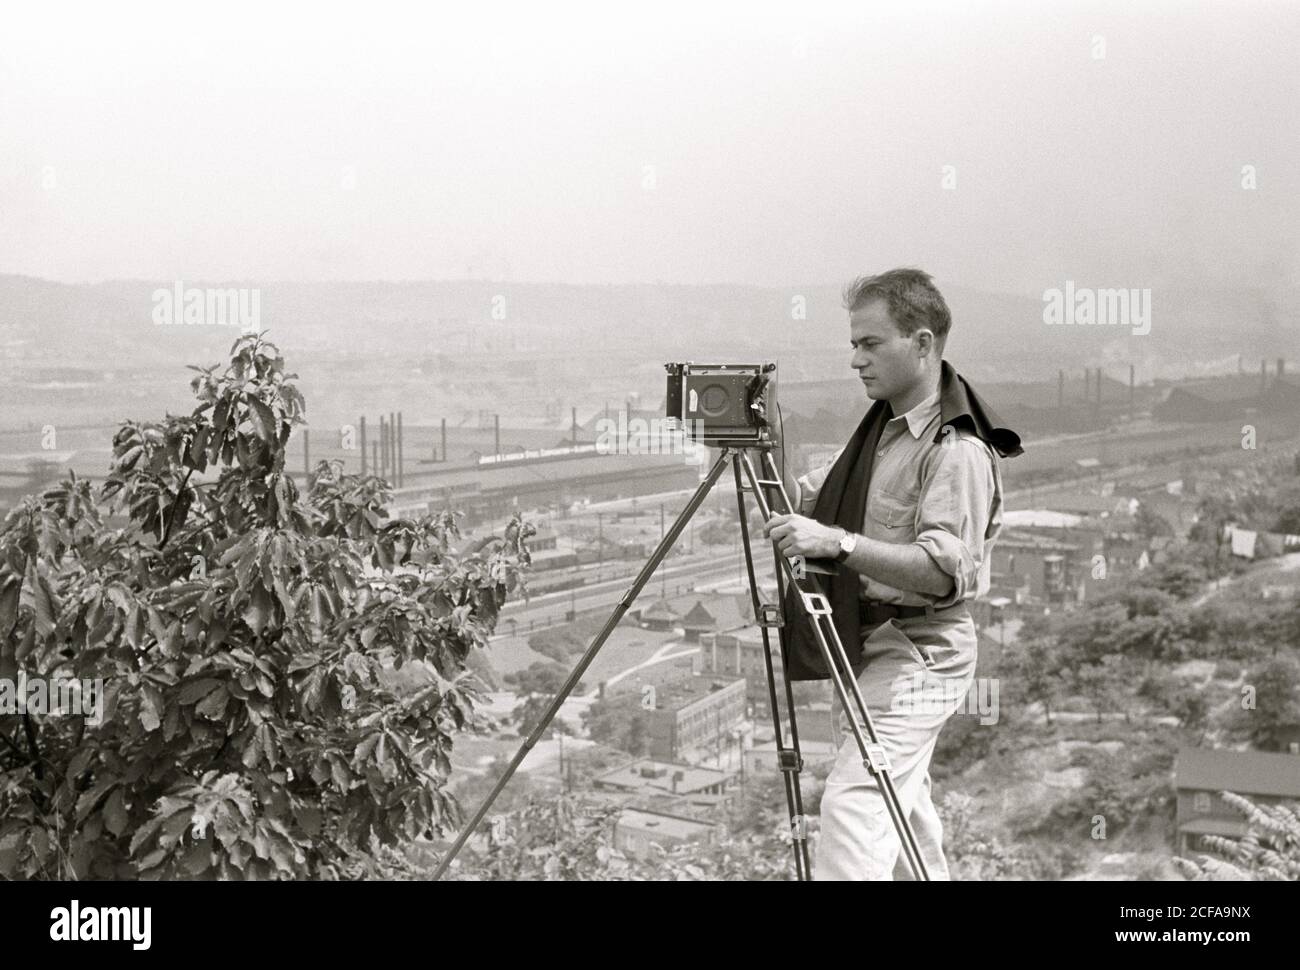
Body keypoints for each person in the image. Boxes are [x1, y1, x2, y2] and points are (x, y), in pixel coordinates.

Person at [761, 267, 1022, 880]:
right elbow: (812, 508)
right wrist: (766, 440)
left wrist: (838, 543)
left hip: (921, 649)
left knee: (854, 804)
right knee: (905, 816)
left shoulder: (954, 450)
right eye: (853, 343)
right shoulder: (882, 435)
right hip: (869, 644)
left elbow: (941, 572)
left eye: (870, 343)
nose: (855, 359)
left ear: (923, 343)